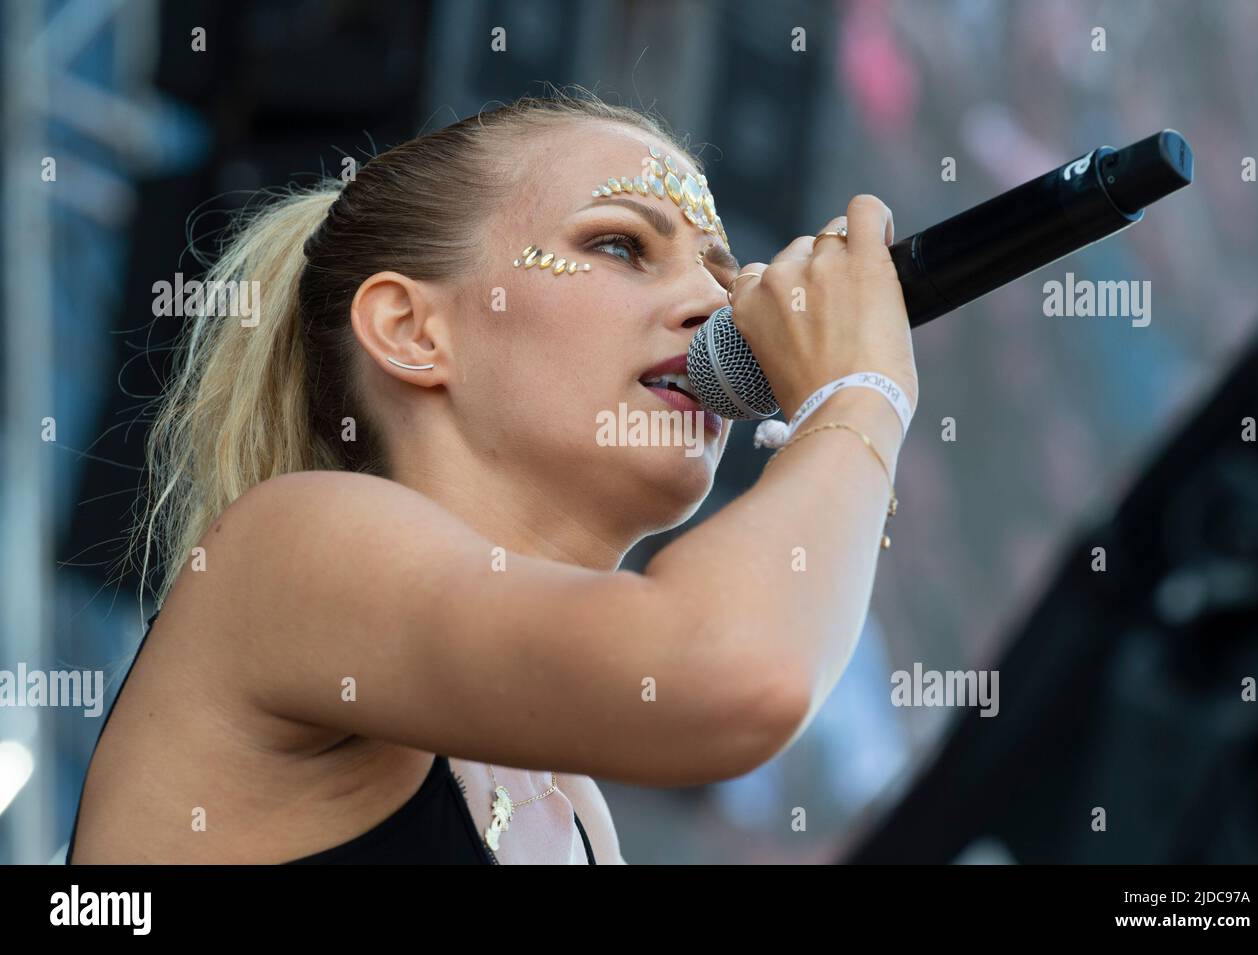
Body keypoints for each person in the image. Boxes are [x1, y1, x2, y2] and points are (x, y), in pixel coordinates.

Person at [65, 91, 918, 864]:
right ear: (410, 329)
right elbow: (732, 673)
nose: (714, 304)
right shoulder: (292, 543)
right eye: (621, 244)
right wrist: (859, 398)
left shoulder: (575, 811)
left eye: (723, 273)